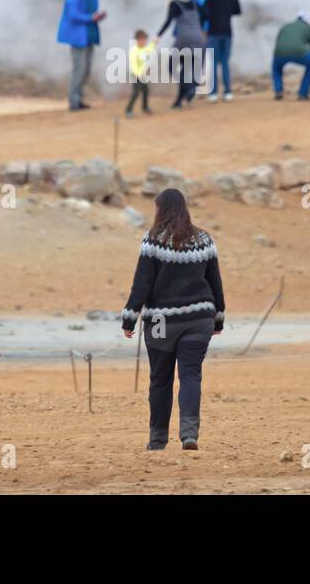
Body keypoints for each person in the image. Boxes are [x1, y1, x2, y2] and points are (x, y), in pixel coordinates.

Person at [121, 188, 225, 451]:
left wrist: (129, 318)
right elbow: (215, 282)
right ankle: (189, 434)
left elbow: (141, 284)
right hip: (199, 318)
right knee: (191, 376)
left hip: (160, 322)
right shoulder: (205, 239)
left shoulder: (153, 240)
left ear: (162, 210)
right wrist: (218, 318)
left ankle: (157, 440)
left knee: (160, 379)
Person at [56, 0, 106, 111]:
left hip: (89, 36)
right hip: (78, 37)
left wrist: (97, 17)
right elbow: (72, 15)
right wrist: (90, 18)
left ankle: (79, 98)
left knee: (86, 69)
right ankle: (74, 101)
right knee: (79, 69)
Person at [158, 0, 206, 109]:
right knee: (186, 70)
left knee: (171, 66)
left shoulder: (175, 4)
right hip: (199, 39)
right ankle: (179, 101)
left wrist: (158, 35)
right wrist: (199, 26)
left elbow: (168, 21)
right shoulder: (194, 3)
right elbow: (206, 14)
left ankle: (190, 89)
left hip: (184, 39)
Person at [202, 0, 242, 102]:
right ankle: (227, 92)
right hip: (227, 32)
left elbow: (205, 13)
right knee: (225, 62)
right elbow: (237, 11)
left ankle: (213, 94)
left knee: (213, 63)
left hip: (213, 32)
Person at [272, 11, 310, 101]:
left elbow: (278, 41)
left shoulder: (286, 26)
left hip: (279, 53)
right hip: (299, 52)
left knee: (276, 69)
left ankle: (278, 90)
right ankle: (303, 94)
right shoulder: (309, 28)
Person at [126, 30, 156, 118]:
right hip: (136, 75)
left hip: (142, 75)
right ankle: (128, 110)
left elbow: (149, 49)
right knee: (136, 93)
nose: (144, 42)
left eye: (145, 40)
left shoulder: (143, 49)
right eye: (142, 40)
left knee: (146, 91)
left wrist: (153, 42)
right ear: (137, 40)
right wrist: (138, 74)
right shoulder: (134, 51)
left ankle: (145, 107)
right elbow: (133, 64)